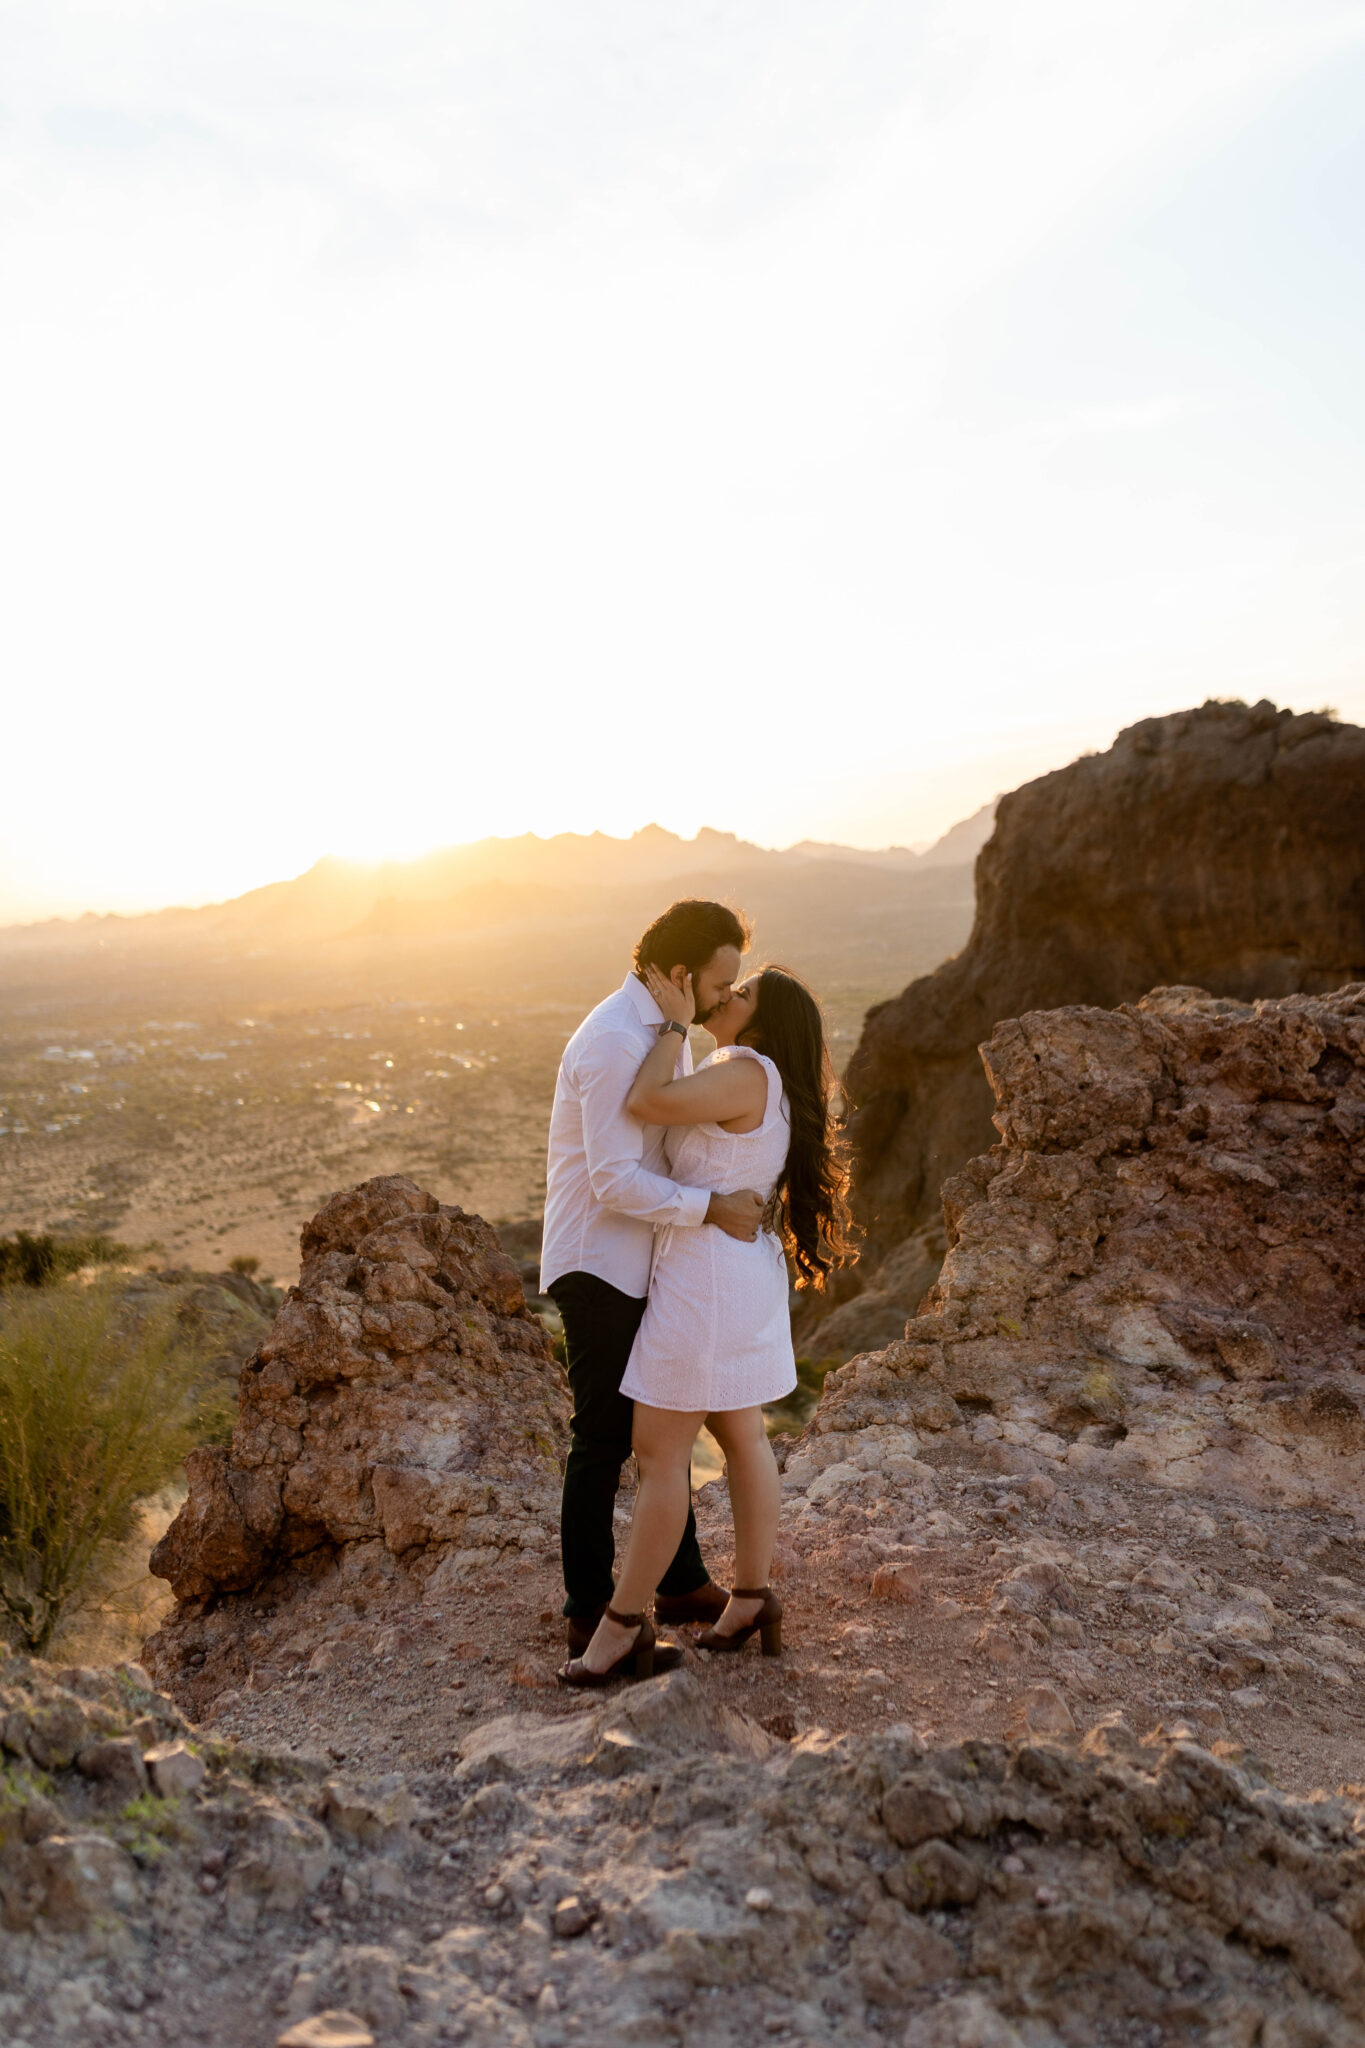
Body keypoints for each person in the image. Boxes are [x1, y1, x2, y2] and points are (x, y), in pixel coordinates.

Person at [558, 960, 855, 1686]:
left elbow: (647, 1102)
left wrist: (667, 1022)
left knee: (659, 1451)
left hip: (704, 1282)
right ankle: (750, 1597)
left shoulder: (745, 1070)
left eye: (741, 993)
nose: (726, 996)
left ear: (763, 1021)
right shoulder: (763, 1079)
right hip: (737, 1272)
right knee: (740, 1433)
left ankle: (619, 1630)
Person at [540, 899, 767, 1665]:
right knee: (603, 1441)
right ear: (678, 974)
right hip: (600, 1262)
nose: (720, 999)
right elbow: (613, 1182)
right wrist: (713, 1209)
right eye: (717, 982)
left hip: (643, 1261)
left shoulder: (655, 1036)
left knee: (662, 1435)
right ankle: (588, 1617)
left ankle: (679, 1584)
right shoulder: (612, 1040)